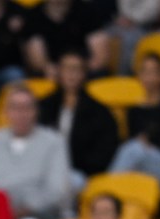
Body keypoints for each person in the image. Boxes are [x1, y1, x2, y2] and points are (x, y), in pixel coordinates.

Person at [0, 85, 72, 219]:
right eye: (15, 108)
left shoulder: (54, 142)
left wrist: (25, 209)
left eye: (27, 108)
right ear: (6, 112)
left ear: (36, 111)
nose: (21, 114)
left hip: (40, 215)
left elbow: (57, 190)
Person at [37, 50, 119, 193]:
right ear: (59, 72)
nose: (71, 74)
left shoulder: (99, 111)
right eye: (66, 68)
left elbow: (103, 152)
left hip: (80, 175)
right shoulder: (44, 106)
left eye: (76, 69)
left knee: (69, 181)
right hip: (44, 172)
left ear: (84, 73)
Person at [109, 52, 160, 190]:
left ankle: (107, 192)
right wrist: (146, 144)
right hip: (147, 165)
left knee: (135, 149)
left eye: (153, 72)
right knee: (133, 150)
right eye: (145, 72)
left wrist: (150, 141)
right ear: (139, 76)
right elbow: (134, 139)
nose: (149, 77)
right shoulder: (134, 111)